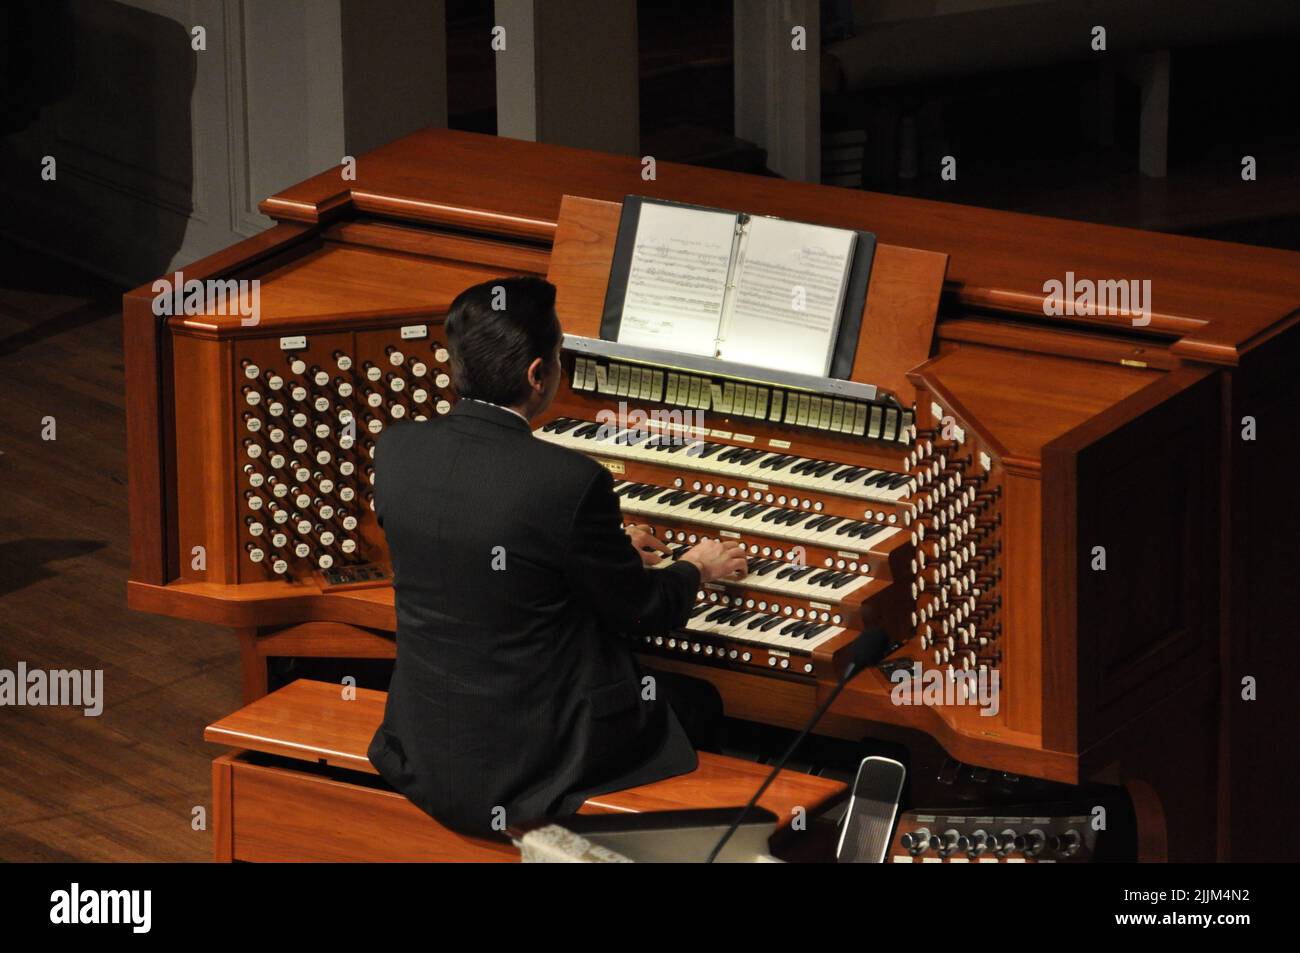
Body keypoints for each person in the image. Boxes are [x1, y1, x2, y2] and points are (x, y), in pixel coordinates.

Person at [367, 275, 748, 837]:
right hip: (534, 755)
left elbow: (485, 540)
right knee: (700, 702)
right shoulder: (568, 480)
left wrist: (603, 551)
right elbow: (642, 611)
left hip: (424, 734)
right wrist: (696, 566)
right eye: (560, 357)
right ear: (537, 376)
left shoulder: (395, 449)